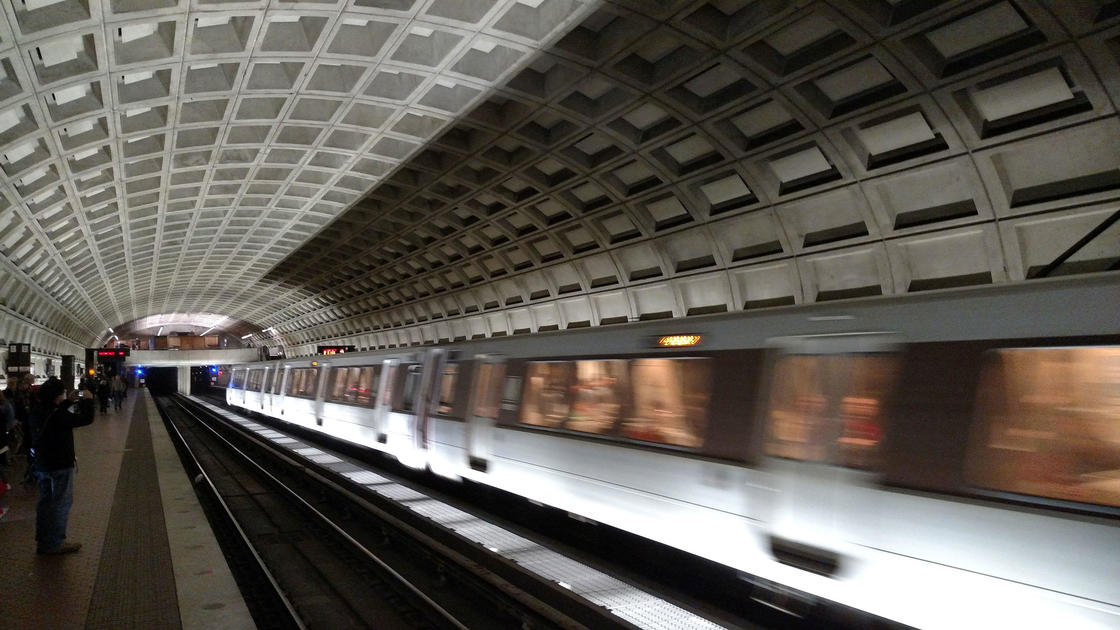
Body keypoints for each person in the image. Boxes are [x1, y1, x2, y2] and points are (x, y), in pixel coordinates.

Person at [31, 378, 94, 555]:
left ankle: (43, 541)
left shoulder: (39, 410)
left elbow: (54, 413)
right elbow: (86, 419)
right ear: (57, 395)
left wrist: (68, 401)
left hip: (42, 464)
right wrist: (88, 400)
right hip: (60, 465)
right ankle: (56, 543)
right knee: (60, 503)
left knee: (45, 503)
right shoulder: (58, 415)